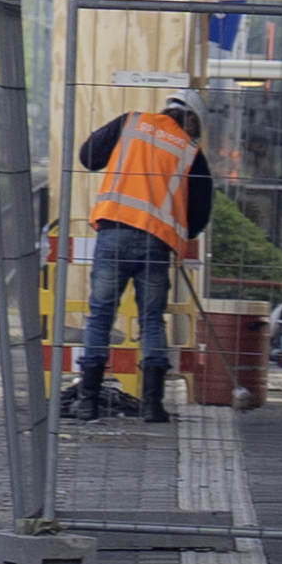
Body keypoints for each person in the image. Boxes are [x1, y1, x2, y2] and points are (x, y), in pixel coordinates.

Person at [71, 94, 215, 420]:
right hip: (155, 244)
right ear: (191, 120)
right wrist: (176, 229)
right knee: (151, 320)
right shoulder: (190, 152)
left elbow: (88, 157)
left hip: (114, 235)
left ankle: (88, 401)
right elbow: (199, 214)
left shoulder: (131, 123)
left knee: (101, 316)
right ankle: (152, 405)